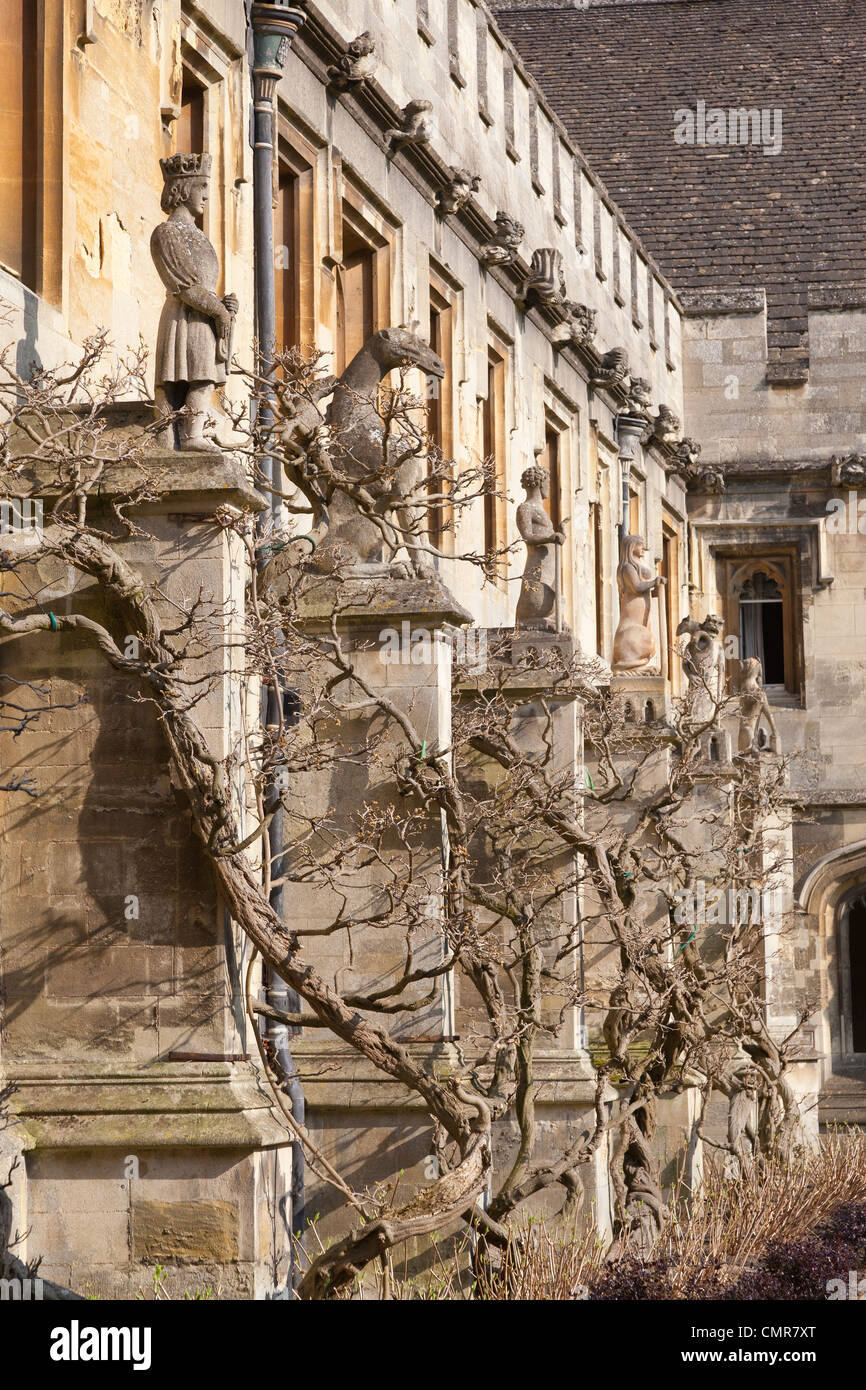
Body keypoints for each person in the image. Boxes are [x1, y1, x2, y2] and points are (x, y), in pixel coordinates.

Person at [150, 153, 237, 452]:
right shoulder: (166, 233)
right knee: (190, 378)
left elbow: (204, 287)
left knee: (204, 378)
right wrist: (219, 311)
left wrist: (224, 306)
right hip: (184, 316)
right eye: (202, 187)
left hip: (204, 316)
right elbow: (185, 286)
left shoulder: (200, 237)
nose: (206, 196)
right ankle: (187, 437)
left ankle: (193, 434)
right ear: (184, 189)